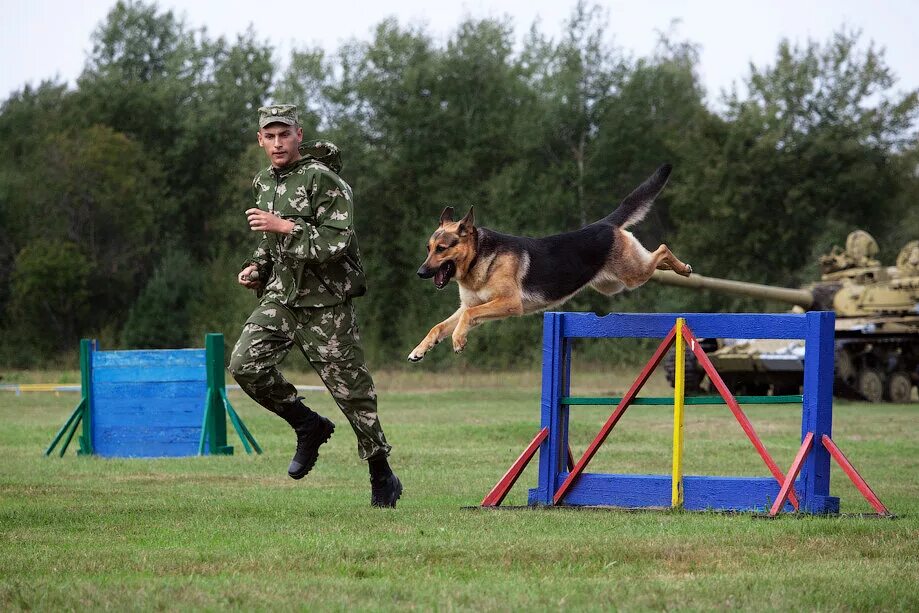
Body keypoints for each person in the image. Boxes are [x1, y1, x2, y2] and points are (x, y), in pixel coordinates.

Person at [229, 104, 402, 508]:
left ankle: (382, 474)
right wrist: (256, 266)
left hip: (326, 303)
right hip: (282, 298)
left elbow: (335, 243)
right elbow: (267, 245)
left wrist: (285, 226)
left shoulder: (324, 180)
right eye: (269, 136)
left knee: (353, 394)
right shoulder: (263, 183)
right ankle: (307, 425)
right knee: (244, 364)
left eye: (284, 135)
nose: (277, 143)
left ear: (298, 135)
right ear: (260, 140)